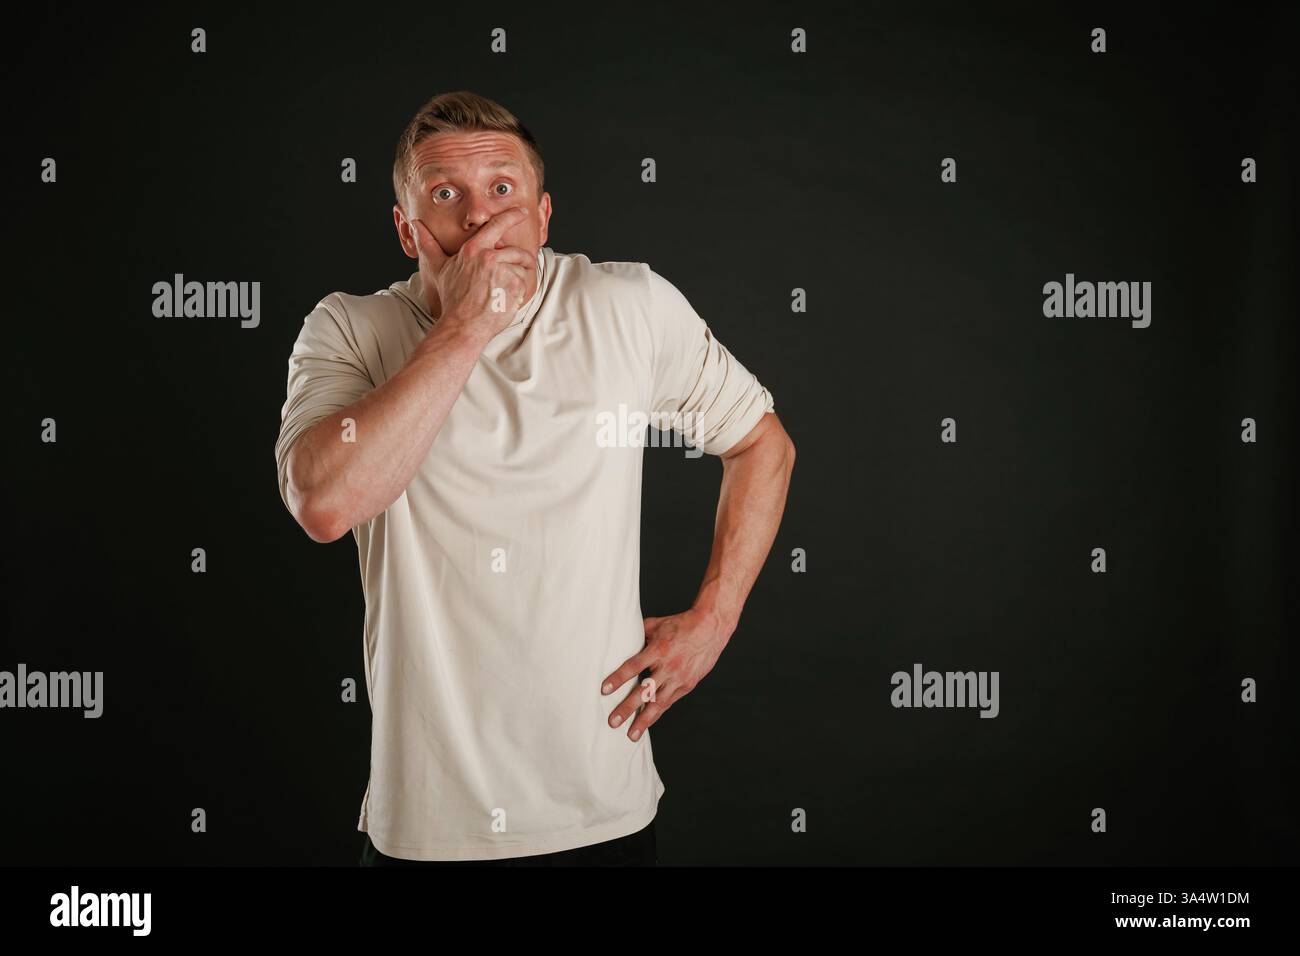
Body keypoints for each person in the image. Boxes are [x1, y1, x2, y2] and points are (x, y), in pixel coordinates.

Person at [273, 90, 795, 864]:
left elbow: (763, 445)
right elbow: (323, 504)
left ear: (545, 216)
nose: (480, 218)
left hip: (601, 808)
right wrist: (466, 323)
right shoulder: (351, 328)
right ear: (406, 228)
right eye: (446, 195)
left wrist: (713, 621)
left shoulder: (628, 306)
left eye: (503, 191)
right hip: (427, 825)